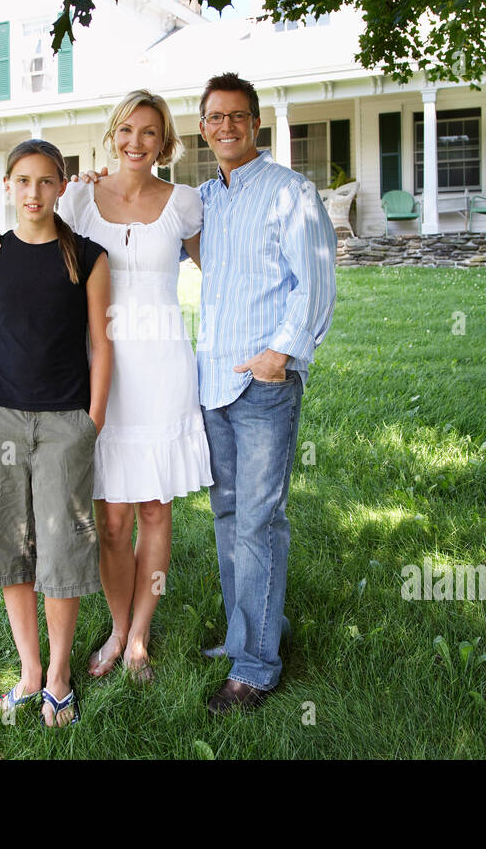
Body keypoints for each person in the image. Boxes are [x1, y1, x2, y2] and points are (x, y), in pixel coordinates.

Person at [0, 91, 211, 683]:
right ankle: (113, 624)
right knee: (110, 518)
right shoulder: (78, 195)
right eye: (126, 130)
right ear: (112, 135)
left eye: (150, 132)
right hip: (93, 371)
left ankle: (138, 636)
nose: (136, 141)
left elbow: (221, 272)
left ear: (166, 142)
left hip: (161, 367)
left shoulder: (184, 204)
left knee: (155, 510)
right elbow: (33, 239)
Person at [194, 72, 336, 714]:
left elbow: (317, 281)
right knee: (228, 518)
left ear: (256, 124)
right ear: (203, 127)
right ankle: (241, 637)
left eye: (238, 117)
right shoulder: (202, 200)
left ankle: (255, 667)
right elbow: (137, 225)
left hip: (262, 384)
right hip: (212, 384)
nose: (227, 127)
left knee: (257, 522)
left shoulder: (290, 192)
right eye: (215, 117)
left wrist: (281, 355)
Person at [0, 138, 112, 727]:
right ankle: (28, 672)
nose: (34, 193)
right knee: (10, 546)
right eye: (22, 181)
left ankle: (58, 676)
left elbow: (101, 343)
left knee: (62, 547)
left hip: (64, 424)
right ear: (7, 186)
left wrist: (91, 420)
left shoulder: (87, 257)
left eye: (46, 181)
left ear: (62, 186)